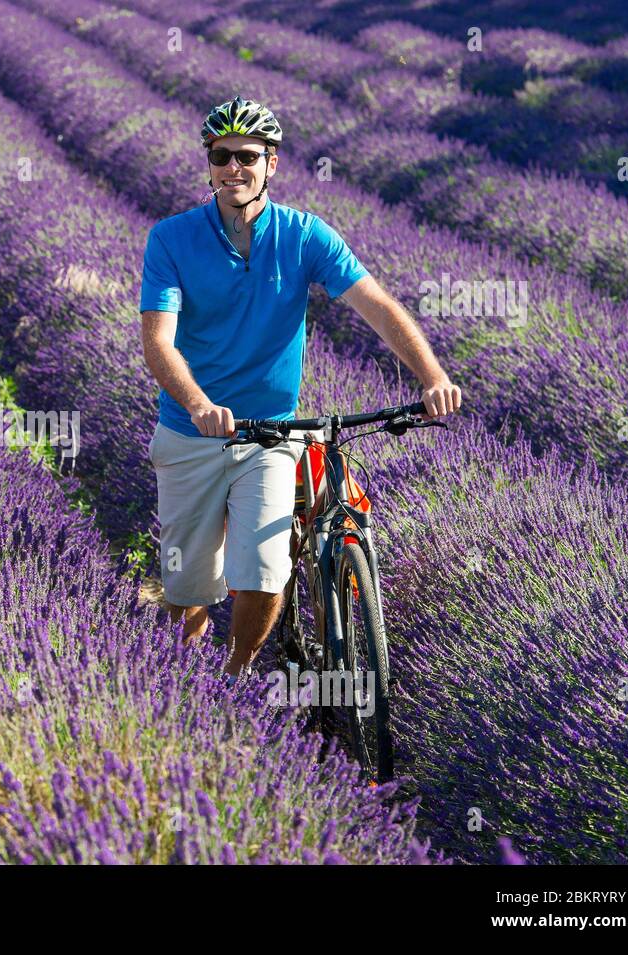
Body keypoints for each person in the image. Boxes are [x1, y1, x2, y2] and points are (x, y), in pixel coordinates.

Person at [139, 98, 461, 686]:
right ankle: (177, 679)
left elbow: (379, 308)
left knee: (263, 573)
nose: (233, 168)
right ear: (208, 164)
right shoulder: (171, 240)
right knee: (188, 591)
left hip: (271, 435)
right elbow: (159, 344)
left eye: (247, 157)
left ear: (272, 164)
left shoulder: (305, 234)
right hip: (191, 433)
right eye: (222, 156)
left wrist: (431, 376)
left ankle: (233, 679)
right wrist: (197, 403)